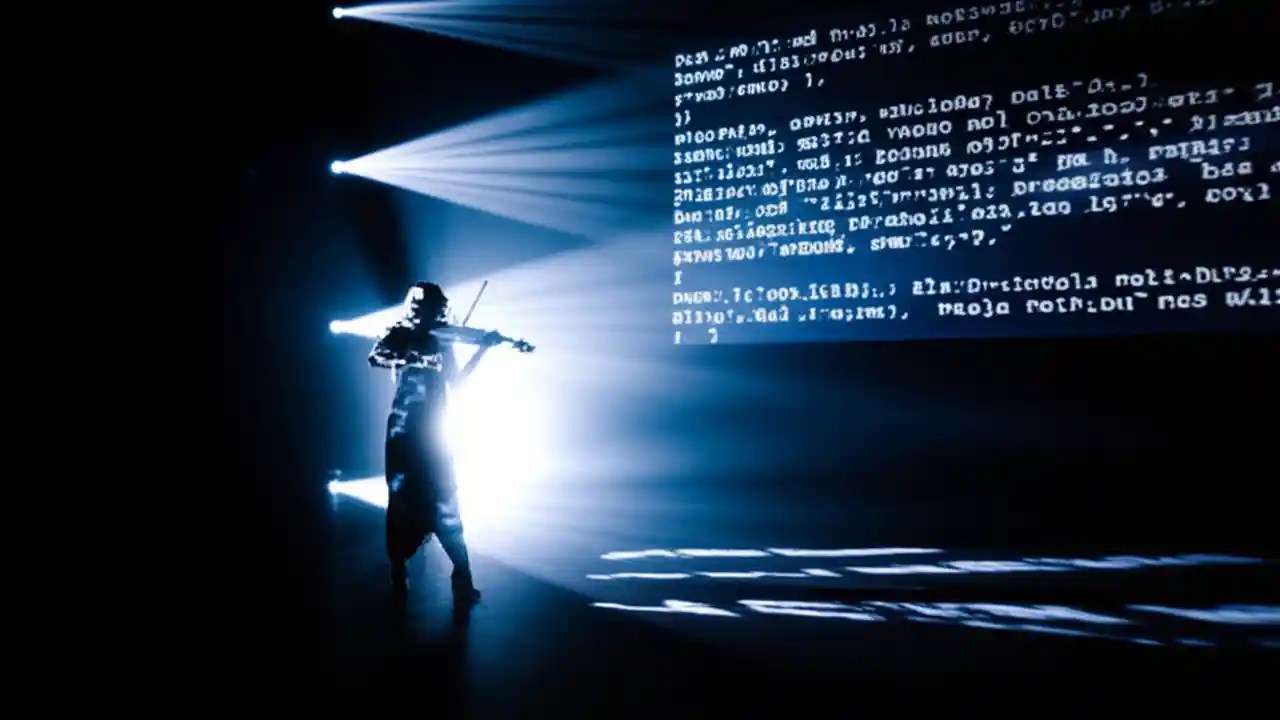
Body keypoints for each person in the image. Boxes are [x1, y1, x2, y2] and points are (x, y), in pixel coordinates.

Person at [368, 281, 500, 602]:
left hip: (434, 429)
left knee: (444, 495)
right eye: (425, 307)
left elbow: (457, 382)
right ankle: (399, 572)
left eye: (433, 308)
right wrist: (411, 353)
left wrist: (482, 349)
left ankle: (462, 576)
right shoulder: (399, 334)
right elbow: (376, 357)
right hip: (403, 430)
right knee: (402, 498)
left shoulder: (442, 340)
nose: (430, 313)